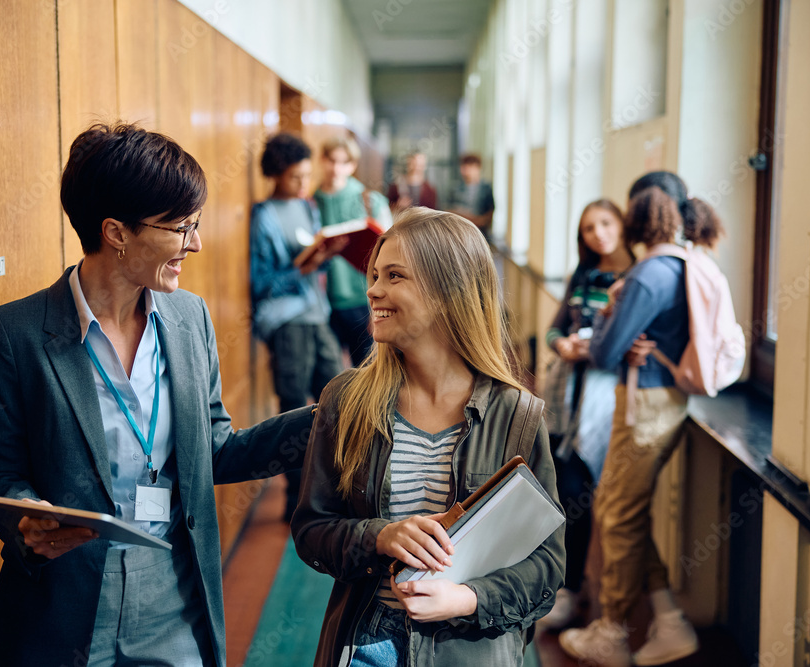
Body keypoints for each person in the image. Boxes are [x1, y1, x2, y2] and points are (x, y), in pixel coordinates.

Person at [0, 123, 315, 667]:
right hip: (64, 607)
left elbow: (217, 449)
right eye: (181, 227)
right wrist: (27, 520)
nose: (195, 243)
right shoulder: (17, 334)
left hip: (174, 597)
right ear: (117, 232)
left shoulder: (189, 318)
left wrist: (329, 416)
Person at [291, 207, 565, 666]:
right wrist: (379, 536)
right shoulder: (346, 400)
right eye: (375, 274)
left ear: (447, 292)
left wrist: (468, 599)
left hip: (471, 649)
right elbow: (311, 530)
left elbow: (547, 564)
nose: (372, 290)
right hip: (368, 643)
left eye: (394, 276)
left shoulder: (517, 414)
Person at [559, 172, 724, 666]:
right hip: (662, 402)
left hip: (646, 407)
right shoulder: (681, 262)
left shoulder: (651, 273)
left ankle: (611, 633)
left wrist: (610, 310)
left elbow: (607, 353)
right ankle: (669, 621)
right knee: (622, 512)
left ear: (638, 212)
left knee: (616, 514)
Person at [537, 199, 634, 630]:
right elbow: (554, 328)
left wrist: (595, 349)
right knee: (568, 490)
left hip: (610, 401)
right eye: (589, 229)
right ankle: (568, 588)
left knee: (607, 501)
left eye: (606, 223)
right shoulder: (583, 275)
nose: (599, 234)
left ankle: (600, 600)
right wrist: (562, 345)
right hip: (568, 398)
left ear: (623, 224)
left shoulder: (636, 278)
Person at [250, 133, 344, 520]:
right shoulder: (264, 216)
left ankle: (335, 491)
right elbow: (261, 283)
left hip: (316, 314)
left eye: (307, 176)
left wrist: (327, 254)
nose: (305, 185)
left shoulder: (308, 208)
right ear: (276, 175)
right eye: (295, 178)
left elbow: (312, 257)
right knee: (293, 408)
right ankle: (295, 501)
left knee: (340, 400)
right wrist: (300, 269)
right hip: (287, 322)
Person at [313, 135, 392, 367]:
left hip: (362, 301)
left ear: (353, 165)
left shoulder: (369, 201)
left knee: (366, 374)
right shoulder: (311, 201)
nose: (336, 168)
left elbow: (390, 260)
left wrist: (379, 308)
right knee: (329, 379)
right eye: (331, 160)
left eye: (343, 162)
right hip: (321, 304)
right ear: (322, 160)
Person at [448, 153, 494, 235]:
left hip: (479, 232)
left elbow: (489, 215)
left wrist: (475, 220)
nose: (465, 170)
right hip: (460, 232)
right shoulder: (455, 188)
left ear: (478, 168)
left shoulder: (486, 189)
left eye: (470, 166)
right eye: (464, 167)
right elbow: (449, 211)